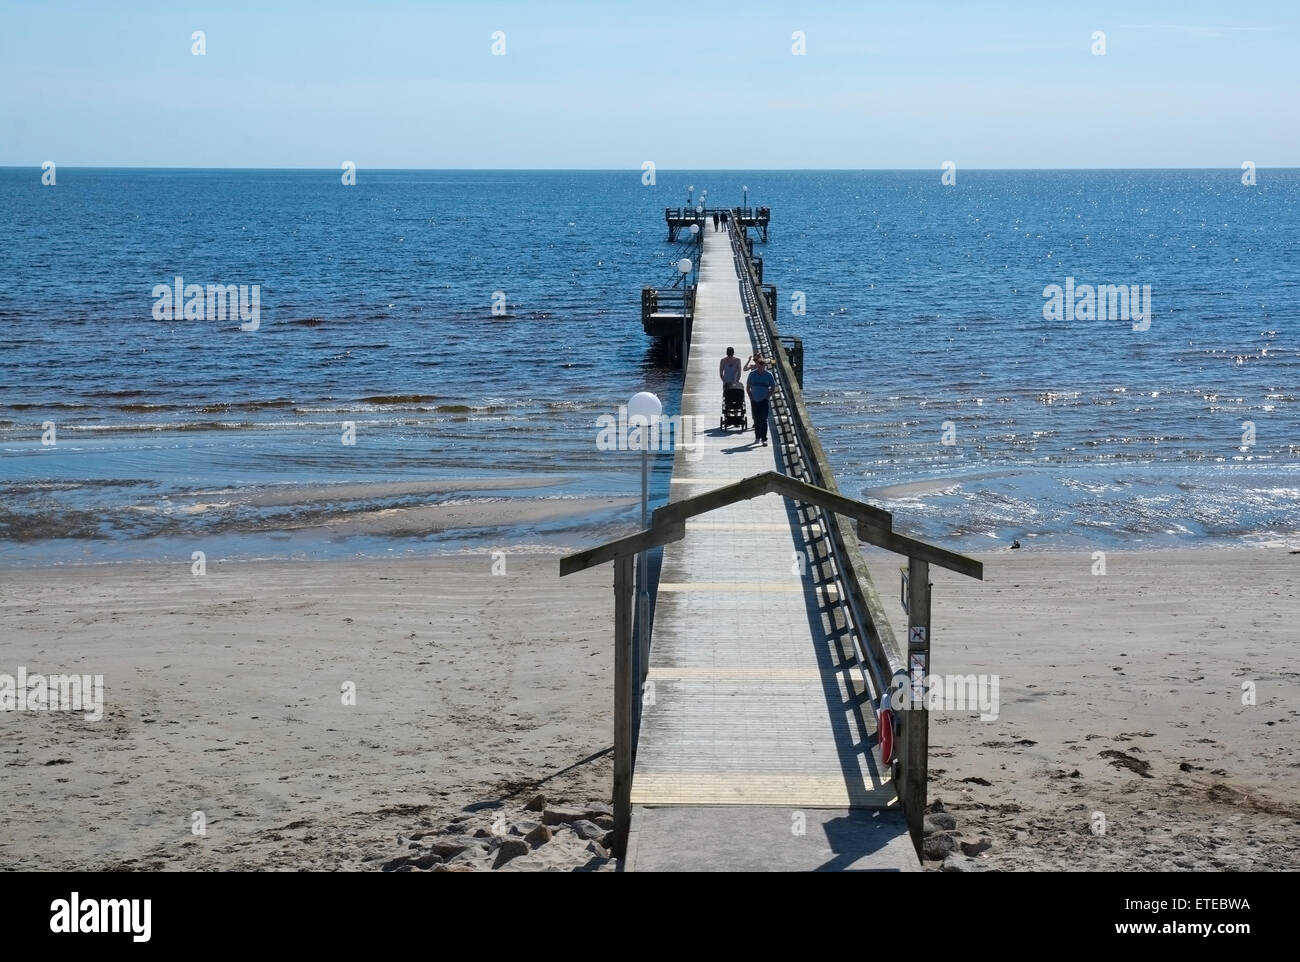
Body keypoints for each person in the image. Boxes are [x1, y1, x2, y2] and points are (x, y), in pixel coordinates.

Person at [745, 356, 776, 446]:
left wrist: (767, 397)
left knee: (764, 420)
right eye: (759, 366)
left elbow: (773, 388)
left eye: (762, 366)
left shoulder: (769, 375)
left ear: (765, 366)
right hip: (754, 400)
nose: (760, 368)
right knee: (756, 420)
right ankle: (757, 437)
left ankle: (764, 439)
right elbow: (748, 387)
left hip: (764, 401)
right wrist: (751, 397)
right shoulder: (752, 374)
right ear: (757, 365)